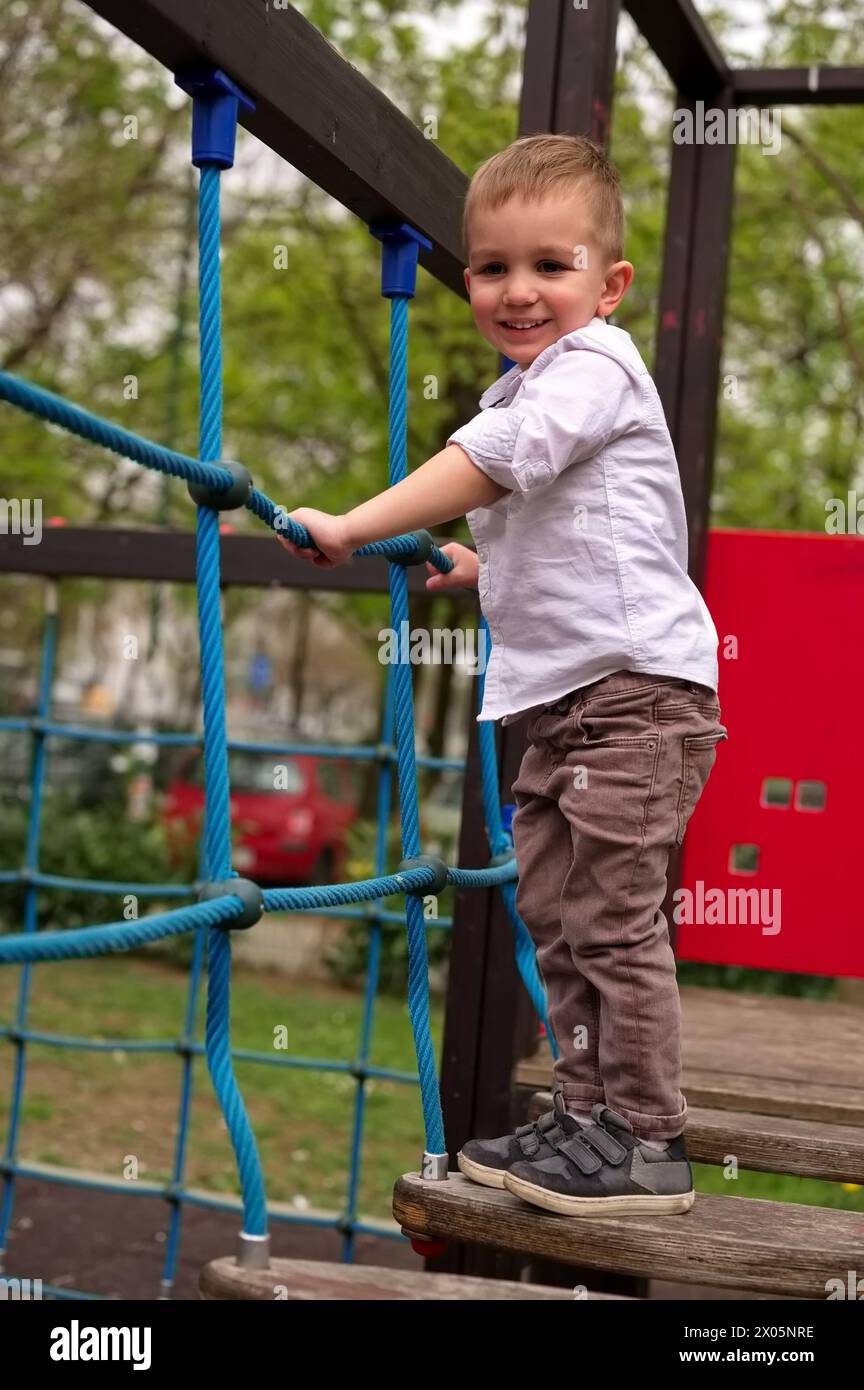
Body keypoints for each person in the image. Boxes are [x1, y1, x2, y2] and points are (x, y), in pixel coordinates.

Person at [278, 133, 727, 1217]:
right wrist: (486, 564)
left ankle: (647, 1141)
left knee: (613, 919)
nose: (518, 291)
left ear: (609, 285)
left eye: (550, 266)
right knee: (557, 914)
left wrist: (355, 521)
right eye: (492, 268)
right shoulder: (524, 388)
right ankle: (587, 1120)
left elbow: (493, 462)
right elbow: (560, 523)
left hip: (636, 701)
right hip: (566, 706)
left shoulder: (593, 369)